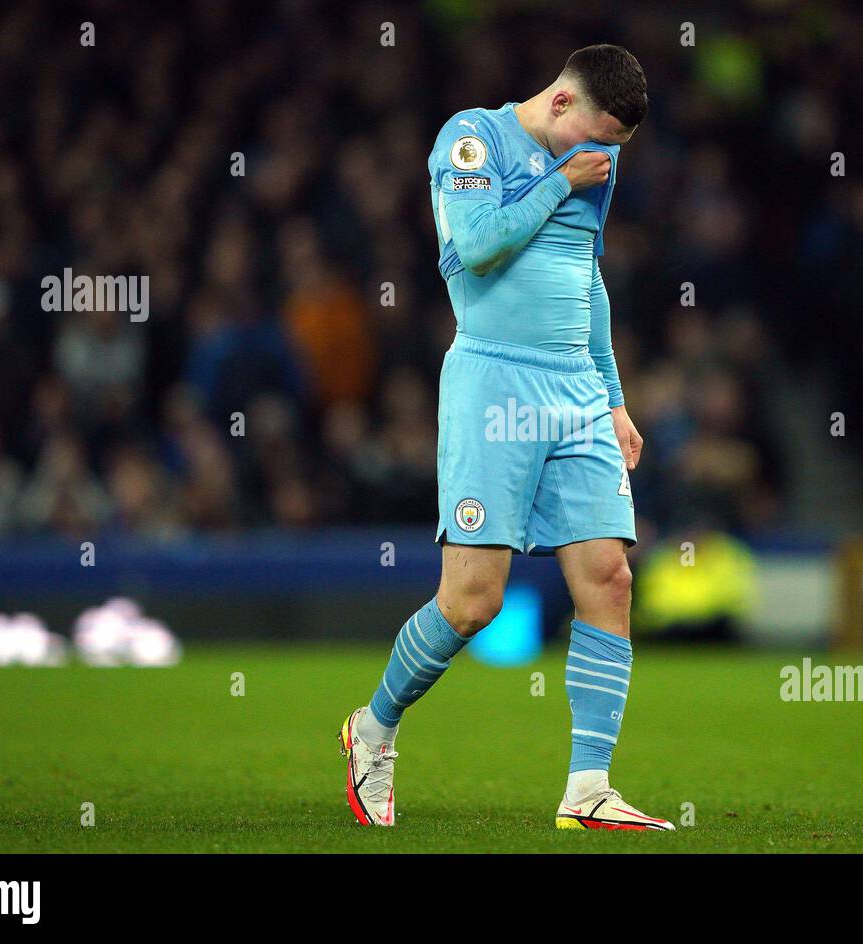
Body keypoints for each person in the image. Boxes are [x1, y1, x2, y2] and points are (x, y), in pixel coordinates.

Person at [338, 44, 673, 831]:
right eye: (594, 136)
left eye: (613, 149)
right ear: (561, 103)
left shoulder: (593, 161)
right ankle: (373, 729)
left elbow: (584, 278)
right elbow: (478, 248)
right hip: (494, 384)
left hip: (577, 391)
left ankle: (588, 789)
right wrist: (559, 181)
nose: (601, 156)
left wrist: (614, 398)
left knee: (610, 578)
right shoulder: (472, 142)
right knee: (472, 601)